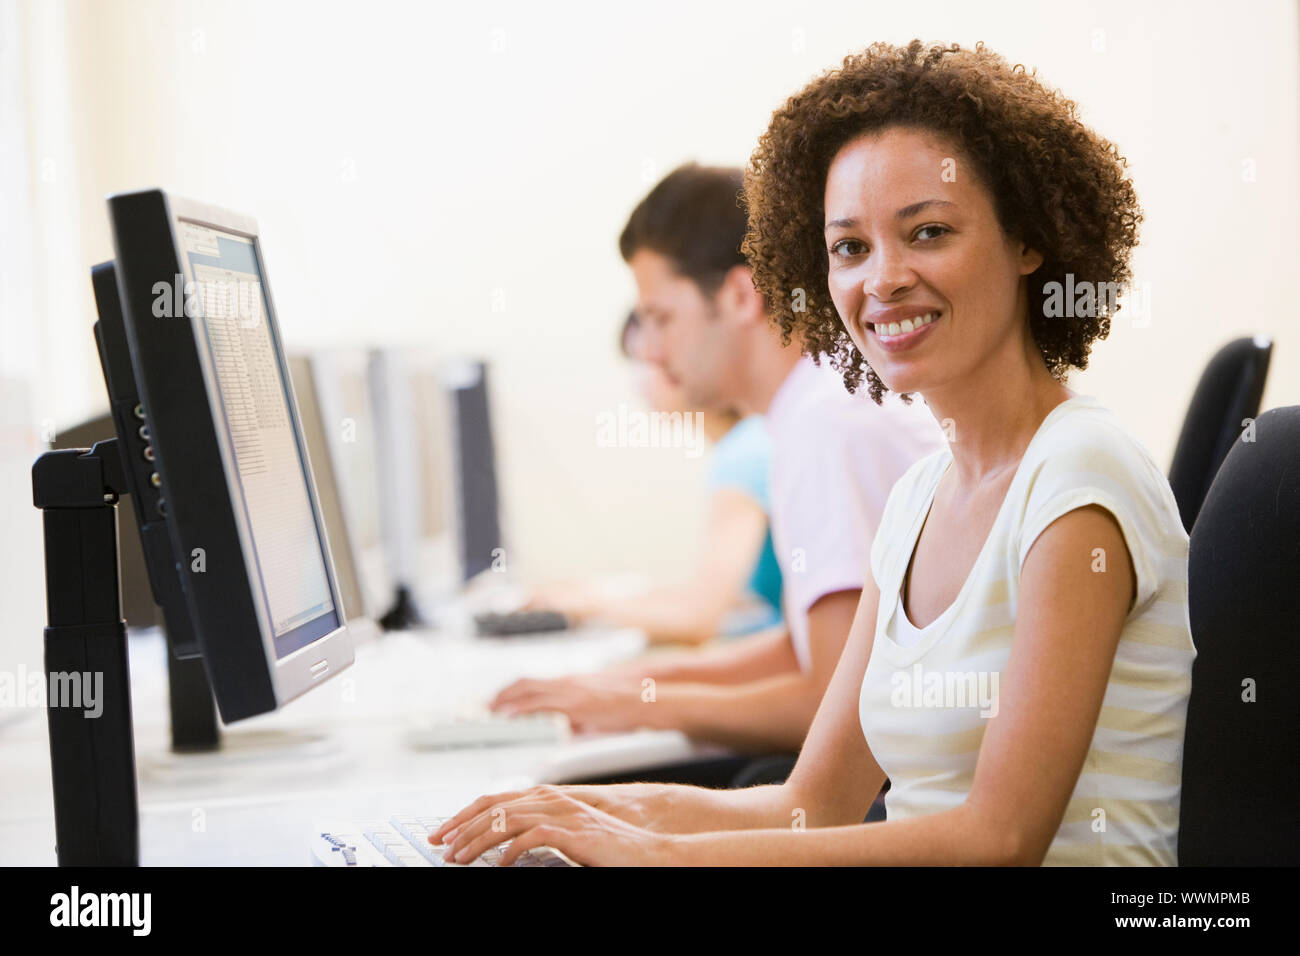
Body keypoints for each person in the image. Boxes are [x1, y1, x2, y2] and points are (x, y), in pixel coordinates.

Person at [436, 40, 1195, 866]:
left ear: (1027, 241)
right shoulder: (918, 499)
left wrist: (656, 855)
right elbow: (814, 803)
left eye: (928, 232)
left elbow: (998, 840)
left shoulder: (1079, 476)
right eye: (850, 248)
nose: (884, 279)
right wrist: (583, 813)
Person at [490, 163, 944, 754]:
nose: (650, 351)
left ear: (737, 296)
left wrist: (636, 705)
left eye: (660, 318)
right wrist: (628, 684)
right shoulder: (811, 405)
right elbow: (803, 647)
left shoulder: (827, 422)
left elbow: (836, 706)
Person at [528, 309, 784, 643]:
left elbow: (697, 620)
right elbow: (725, 595)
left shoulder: (743, 455)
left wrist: (590, 607)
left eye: (646, 363)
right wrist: (602, 597)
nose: (640, 382)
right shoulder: (752, 440)